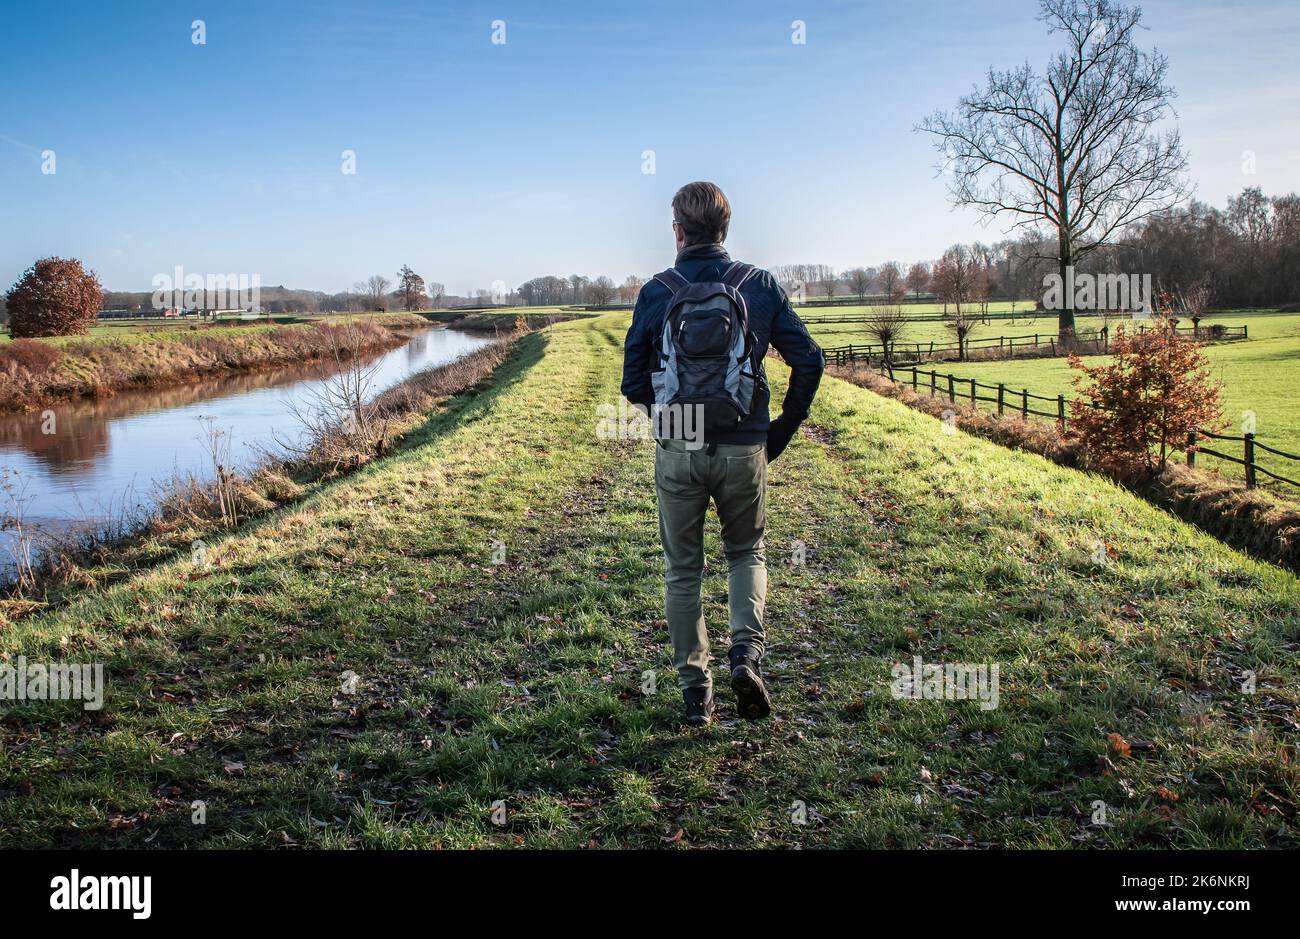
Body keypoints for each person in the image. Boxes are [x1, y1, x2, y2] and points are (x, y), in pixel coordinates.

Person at [621, 181, 825, 725]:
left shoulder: (657, 291)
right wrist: (781, 427)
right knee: (746, 553)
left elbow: (632, 381)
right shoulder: (757, 285)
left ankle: (696, 694)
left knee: (682, 569)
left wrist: (670, 421)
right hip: (744, 442)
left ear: (679, 231)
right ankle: (745, 655)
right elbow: (811, 360)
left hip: (679, 446)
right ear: (725, 230)